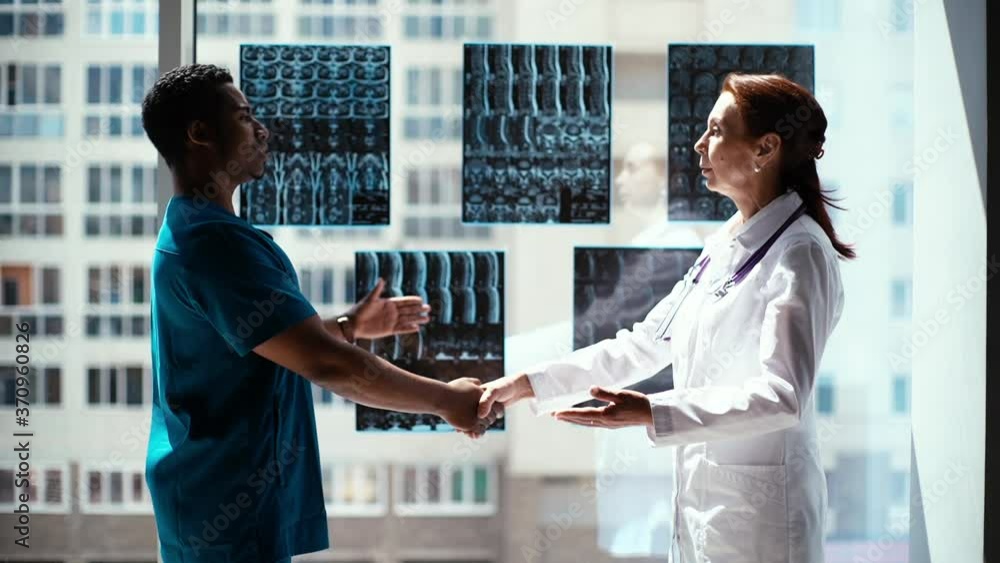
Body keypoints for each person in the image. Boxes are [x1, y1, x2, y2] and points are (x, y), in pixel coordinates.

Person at [478, 73, 853, 563]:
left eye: (717, 131)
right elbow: (643, 343)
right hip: (704, 515)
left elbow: (782, 398)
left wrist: (652, 412)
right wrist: (528, 383)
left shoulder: (799, 253)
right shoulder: (725, 243)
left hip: (761, 526)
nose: (698, 144)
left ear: (765, 149)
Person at [140, 64, 497, 563]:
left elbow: (258, 341)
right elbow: (329, 366)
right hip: (224, 514)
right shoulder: (213, 243)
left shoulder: (200, 231)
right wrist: (447, 400)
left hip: (216, 503)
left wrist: (349, 327)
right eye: (244, 117)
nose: (261, 129)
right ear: (199, 134)